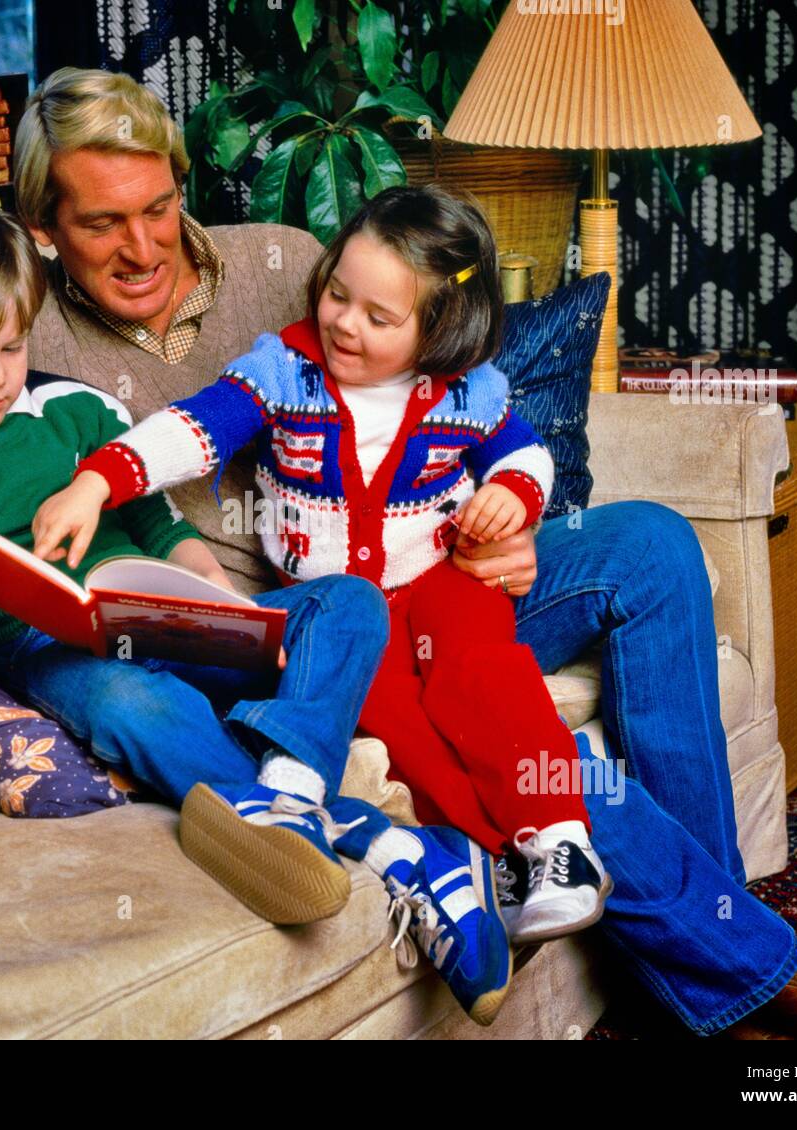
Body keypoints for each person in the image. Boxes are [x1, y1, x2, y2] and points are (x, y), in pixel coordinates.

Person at [0, 65, 797, 1039]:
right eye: (102, 223)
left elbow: (438, 362)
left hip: (438, 563)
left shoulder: (281, 262)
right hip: (309, 611)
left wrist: (503, 521)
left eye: (158, 206)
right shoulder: (23, 349)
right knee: (484, 708)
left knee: (654, 547)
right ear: (41, 231)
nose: (144, 245)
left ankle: (713, 922)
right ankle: (756, 971)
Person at [0, 201, 514, 1026]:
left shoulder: (76, 413)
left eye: (12, 347)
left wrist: (224, 607)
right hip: (54, 649)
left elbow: (163, 530)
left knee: (348, 603)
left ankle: (291, 794)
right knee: (133, 703)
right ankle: (400, 848)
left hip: (165, 612)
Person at [40, 184, 613, 945]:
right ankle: (495, 853)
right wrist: (99, 479)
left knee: (482, 677)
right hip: (340, 614)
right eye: (338, 295)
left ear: (441, 328)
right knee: (399, 726)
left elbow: (526, 456)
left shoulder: (468, 390)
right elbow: (196, 428)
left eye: (380, 318)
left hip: (448, 581)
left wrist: (512, 494)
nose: (345, 322)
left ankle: (561, 840)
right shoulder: (285, 369)